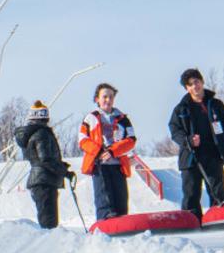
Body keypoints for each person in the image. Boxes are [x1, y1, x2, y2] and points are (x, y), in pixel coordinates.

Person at [168, 68, 224, 217]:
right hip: (190, 157)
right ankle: (190, 223)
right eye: (190, 85)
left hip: (213, 155)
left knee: (218, 192)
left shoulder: (216, 105)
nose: (195, 86)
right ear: (186, 88)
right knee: (191, 194)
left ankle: (220, 219)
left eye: (196, 82)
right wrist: (188, 140)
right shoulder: (181, 109)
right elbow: (174, 131)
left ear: (202, 82)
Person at [79, 83, 138, 221]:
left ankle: (123, 223)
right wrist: (99, 152)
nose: (108, 100)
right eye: (104, 96)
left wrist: (113, 151)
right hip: (100, 165)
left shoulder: (123, 119)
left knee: (121, 199)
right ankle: (105, 223)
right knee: (104, 198)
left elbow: (131, 139)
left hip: (118, 165)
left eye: (111, 97)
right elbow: (82, 140)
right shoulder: (90, 118)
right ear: (97, 99)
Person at [16, 100, 72, 229]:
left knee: (46, 220)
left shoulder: (33, 134)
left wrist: (62, 168)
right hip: (44, 181)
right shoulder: (42, 133)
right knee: (49, 224)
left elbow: (42, 158)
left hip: (40, 180)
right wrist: (64, 171)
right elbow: (45, 159)